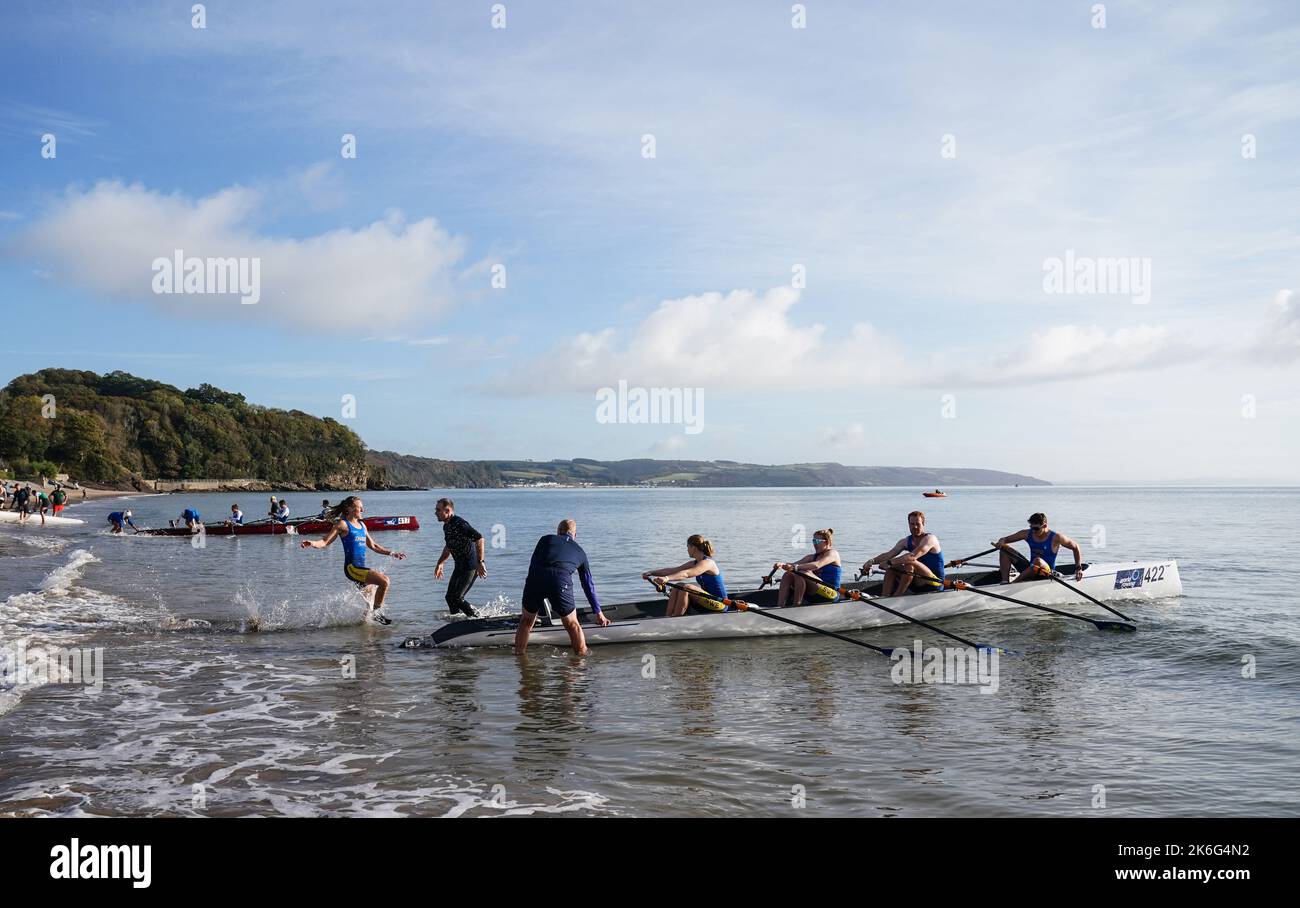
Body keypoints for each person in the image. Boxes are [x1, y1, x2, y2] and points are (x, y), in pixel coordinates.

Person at [300, 496, 405, 624]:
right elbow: (325, 541)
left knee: (370, 601)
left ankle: (363, 629)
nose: (363, 509)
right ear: (349, 509)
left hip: (361, 568)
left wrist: (392, 553)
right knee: (385, 581)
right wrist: (312, 543)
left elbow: (374, 546)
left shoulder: (362, 526)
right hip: (352, 568)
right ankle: (377, 614)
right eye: (359, 507)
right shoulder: (343, 524)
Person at [514, 519, 610, 655]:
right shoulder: (580, 552)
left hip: (535, 578)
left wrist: (537, 604)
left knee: (526, 621)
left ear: (558, 532)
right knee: (572, 624)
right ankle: (581, 660)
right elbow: (588, 584)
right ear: (574, 535)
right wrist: (598, 612)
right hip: (560, 581)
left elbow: (533, 565)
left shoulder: (545, 540)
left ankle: (519, 657)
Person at [861, 511, 945, 597]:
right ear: (909, 524)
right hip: (916, 582)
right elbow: (889, 554)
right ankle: (884, 597)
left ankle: (897, 597)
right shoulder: (905, 541)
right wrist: (871, 561)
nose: (915, 527)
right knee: (891, 568)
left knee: (910, 563)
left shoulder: (930, 539)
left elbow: (912, 557)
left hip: (935, 583)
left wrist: (889, 562)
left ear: (923, 524)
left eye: (918, 524)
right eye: (912, 524)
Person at [642, 534, 728, 616]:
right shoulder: (693, 563)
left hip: (721, 603)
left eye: (687, 547)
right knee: (678, 586)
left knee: (686, 587)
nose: (687, 550)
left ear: (693, 547)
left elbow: (686, 574)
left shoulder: (708, 563)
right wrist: (651, 573)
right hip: (706, 602)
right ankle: (669, 617)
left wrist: (666, 578)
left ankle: (677, 618)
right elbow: (673, 570)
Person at [994, 513, 1084, 582]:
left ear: (1044, 526)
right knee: (1004, 549)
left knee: (1038, 560)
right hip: (1031, 568)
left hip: (1046, 572)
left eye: (1036, 529)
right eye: (1031, 527)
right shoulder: (1026, 533)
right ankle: (1005, 582)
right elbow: (1004, 539)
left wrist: (1078, 568)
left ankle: (1013, 584)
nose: (1033, 531)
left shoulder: (1056, 537)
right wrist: (1001, 542)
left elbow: (1075, 547)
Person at [434, 498, 485, 618]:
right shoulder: (446, 526)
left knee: (457, 597)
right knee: (449, 598)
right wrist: (440, 563)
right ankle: (458, 622)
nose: (435, 512)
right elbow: (449, 546)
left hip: (471, 566)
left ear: (447, 510)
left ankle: (477, 618)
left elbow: (479, 538)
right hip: (459, 566)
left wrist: (480, 562)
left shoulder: (460, 523)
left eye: (438, 510)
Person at [774, 528, 842, 607]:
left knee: (802, 572)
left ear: (826, 542)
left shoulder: (833, 554)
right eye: (813, 541)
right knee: (788, 574)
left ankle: (796, 606)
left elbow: (817, 565)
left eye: (817, 541)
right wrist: (781, 565)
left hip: (831, 594)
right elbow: (793, 565)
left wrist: (795, 568)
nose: (814, 544)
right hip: (813, 593)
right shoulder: (811, 557)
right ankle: (780, 606)